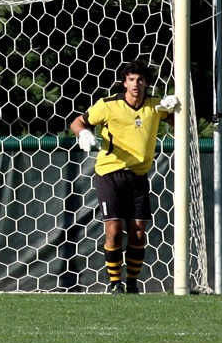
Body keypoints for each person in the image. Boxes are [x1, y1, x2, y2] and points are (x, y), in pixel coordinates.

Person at [70, 59, 180, 294]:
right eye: (131, 79)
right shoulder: (108, 105)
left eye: (140, 79)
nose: (135, 84)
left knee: (138, 233)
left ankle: (132, 284)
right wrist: (84, 133)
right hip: (110, 173)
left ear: (147, 83)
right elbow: (77, 121)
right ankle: (114, 283)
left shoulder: (154, 106)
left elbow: (179, 125)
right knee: (113, 229)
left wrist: (174, 110)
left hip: (139, 176)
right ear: (124, 83)